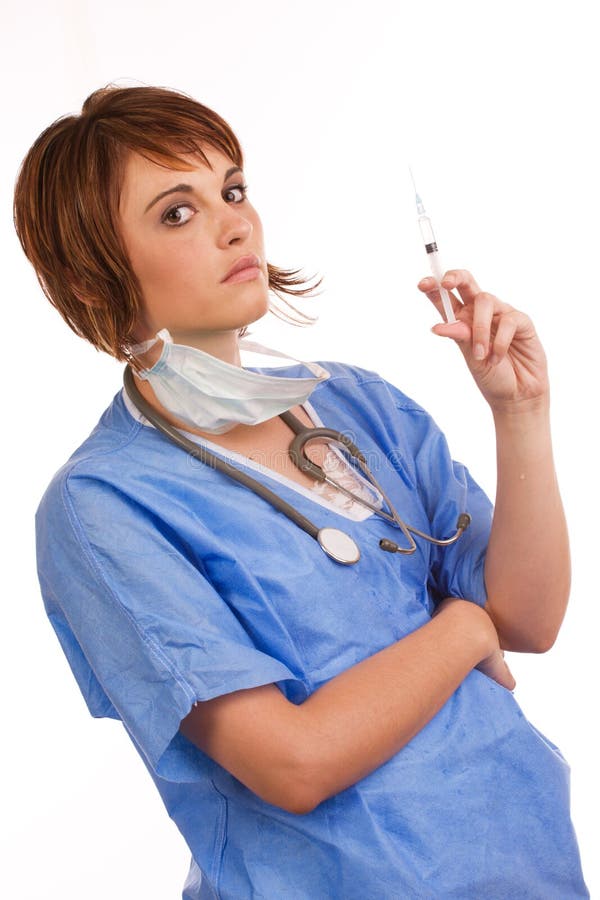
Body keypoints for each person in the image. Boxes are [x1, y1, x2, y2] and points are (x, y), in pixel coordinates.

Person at [14, 83, 589, 899]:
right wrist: (464, 627)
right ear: (88, 281)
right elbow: (293, 763)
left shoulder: (357, 405)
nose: (235, 224)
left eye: (233, 190)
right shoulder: (103, 505)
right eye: (177, 212)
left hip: (527, 867)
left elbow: (527, 618)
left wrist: (520, 413)